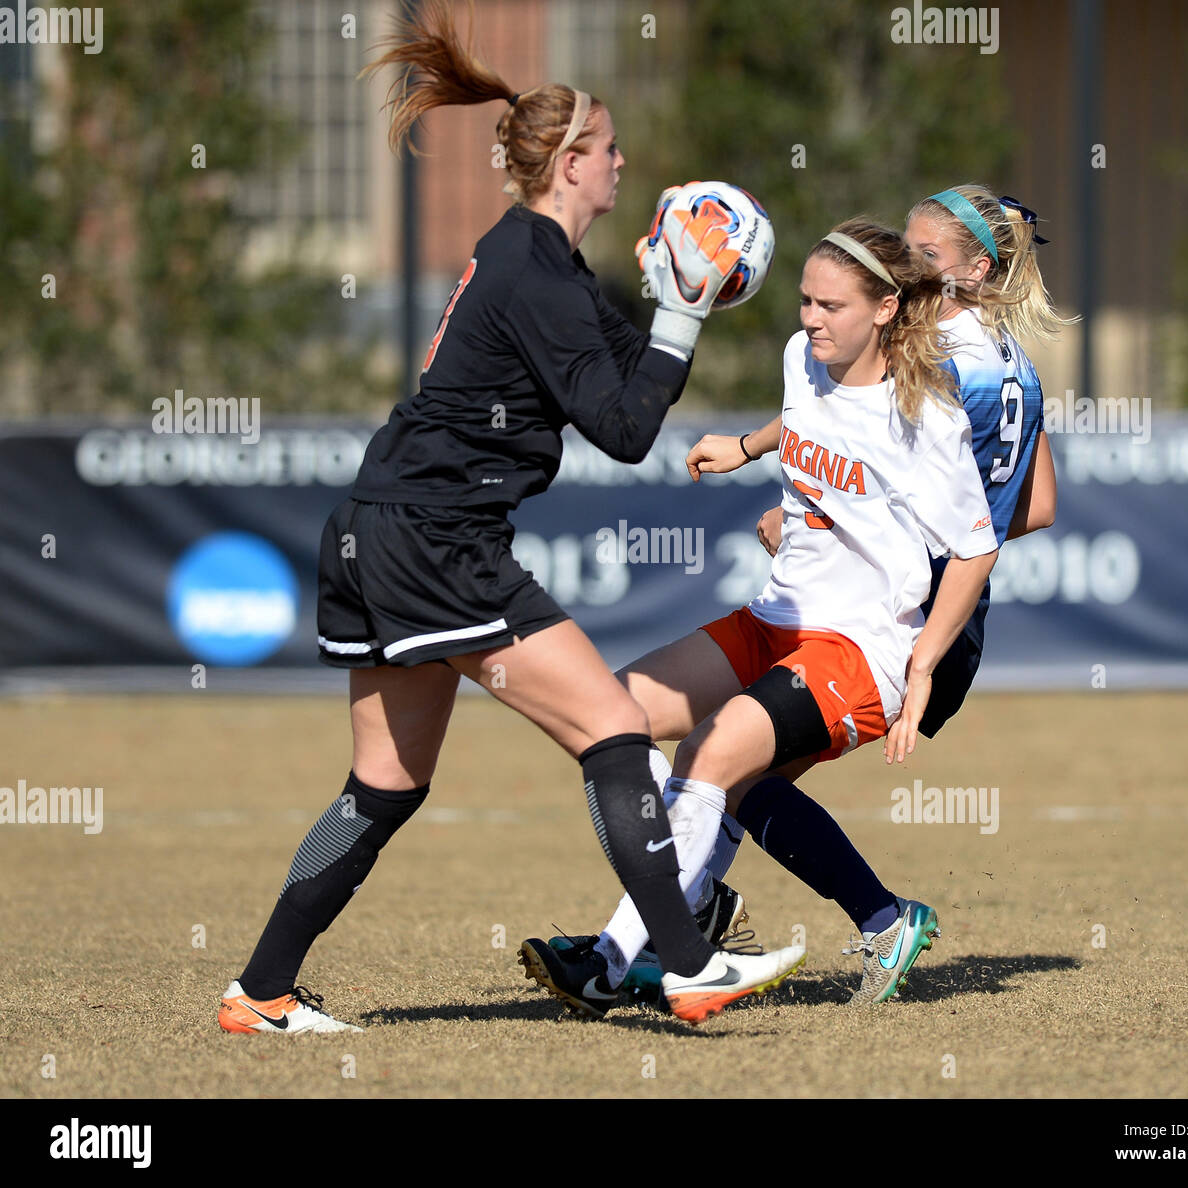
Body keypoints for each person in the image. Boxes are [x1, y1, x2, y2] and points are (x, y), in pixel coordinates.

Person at [217, 0, 803, 1035]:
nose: (624, 166)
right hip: (435, 538)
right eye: (610, 149)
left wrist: (674, 296)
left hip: (376, 526)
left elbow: (629, 387)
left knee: (384, 787)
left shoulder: (541, 262)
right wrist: (679, 316)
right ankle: (685, 967)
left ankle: (258, 992)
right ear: (569, 161)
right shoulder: (535, 271)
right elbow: (626, 431)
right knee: (618, 732)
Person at [522, 216, 1001, 1019]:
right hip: (777, 615)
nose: (810, 318)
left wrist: (922, 669)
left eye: (831, 307)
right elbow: (814, 422)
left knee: (712, 758)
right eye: (805, 301)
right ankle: (730, 914)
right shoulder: (799, 359)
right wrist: (748, 446)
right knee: (612, 715)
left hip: (860, 647)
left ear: (885, 310)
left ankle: (612, 963)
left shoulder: (928, 419)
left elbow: (976, 549)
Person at [652, 185, 1071, 1005]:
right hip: (925, 613)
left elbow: (891, 442)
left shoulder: (950, 358)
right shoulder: (1005, 355)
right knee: (733, 769)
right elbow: (1040, 503)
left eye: (926, 258)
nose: (904, 269)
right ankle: (700, 918)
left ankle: (845, 919)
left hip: (912, 623)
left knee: (738, 770)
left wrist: (868, 534)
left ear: (976, 269)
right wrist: (760, 451)